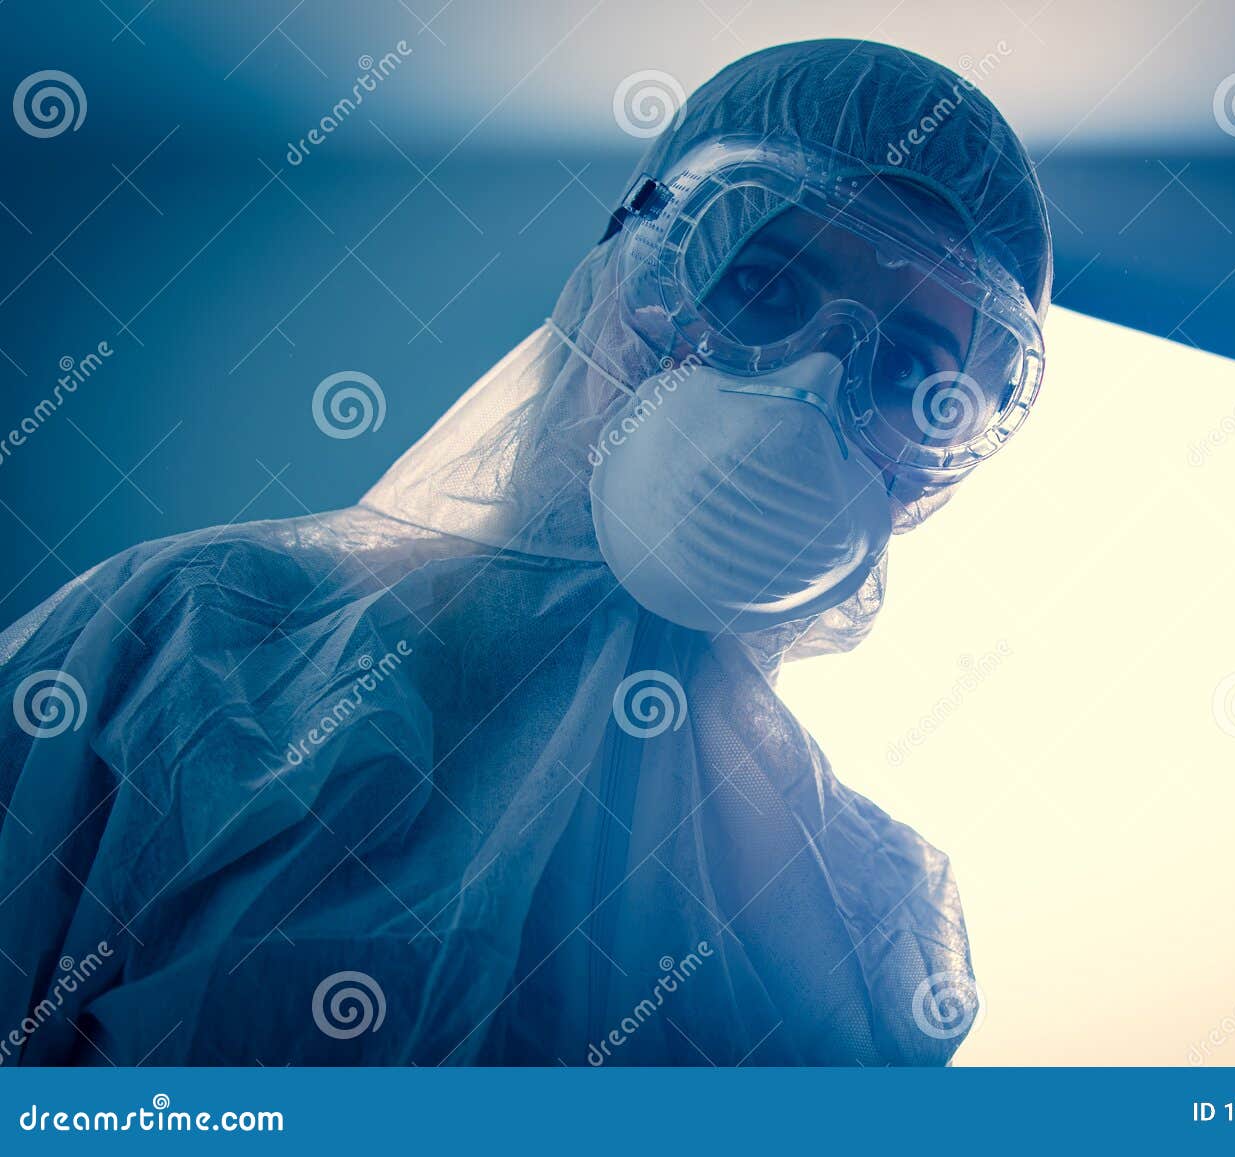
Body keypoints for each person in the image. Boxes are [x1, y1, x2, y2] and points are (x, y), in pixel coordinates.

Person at [0, 39, 1050, 1065]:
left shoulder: (865, 920)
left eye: (912, 370)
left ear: (933, 467)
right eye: (759, 286)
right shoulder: (195, 648)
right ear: (621, 278)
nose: (809, 388)